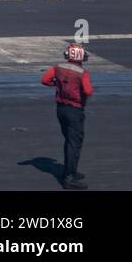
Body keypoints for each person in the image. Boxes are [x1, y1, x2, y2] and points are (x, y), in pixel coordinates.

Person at [41, 43, 94, 189]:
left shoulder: (58, 67)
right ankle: (69, 178)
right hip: (75, 111)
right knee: (74, 143)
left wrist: (57, 85)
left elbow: (44, 80)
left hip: (61, 109)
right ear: (81, 57)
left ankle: (70, 171)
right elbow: (89, 91)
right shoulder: (82, 73)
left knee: (69, 141)